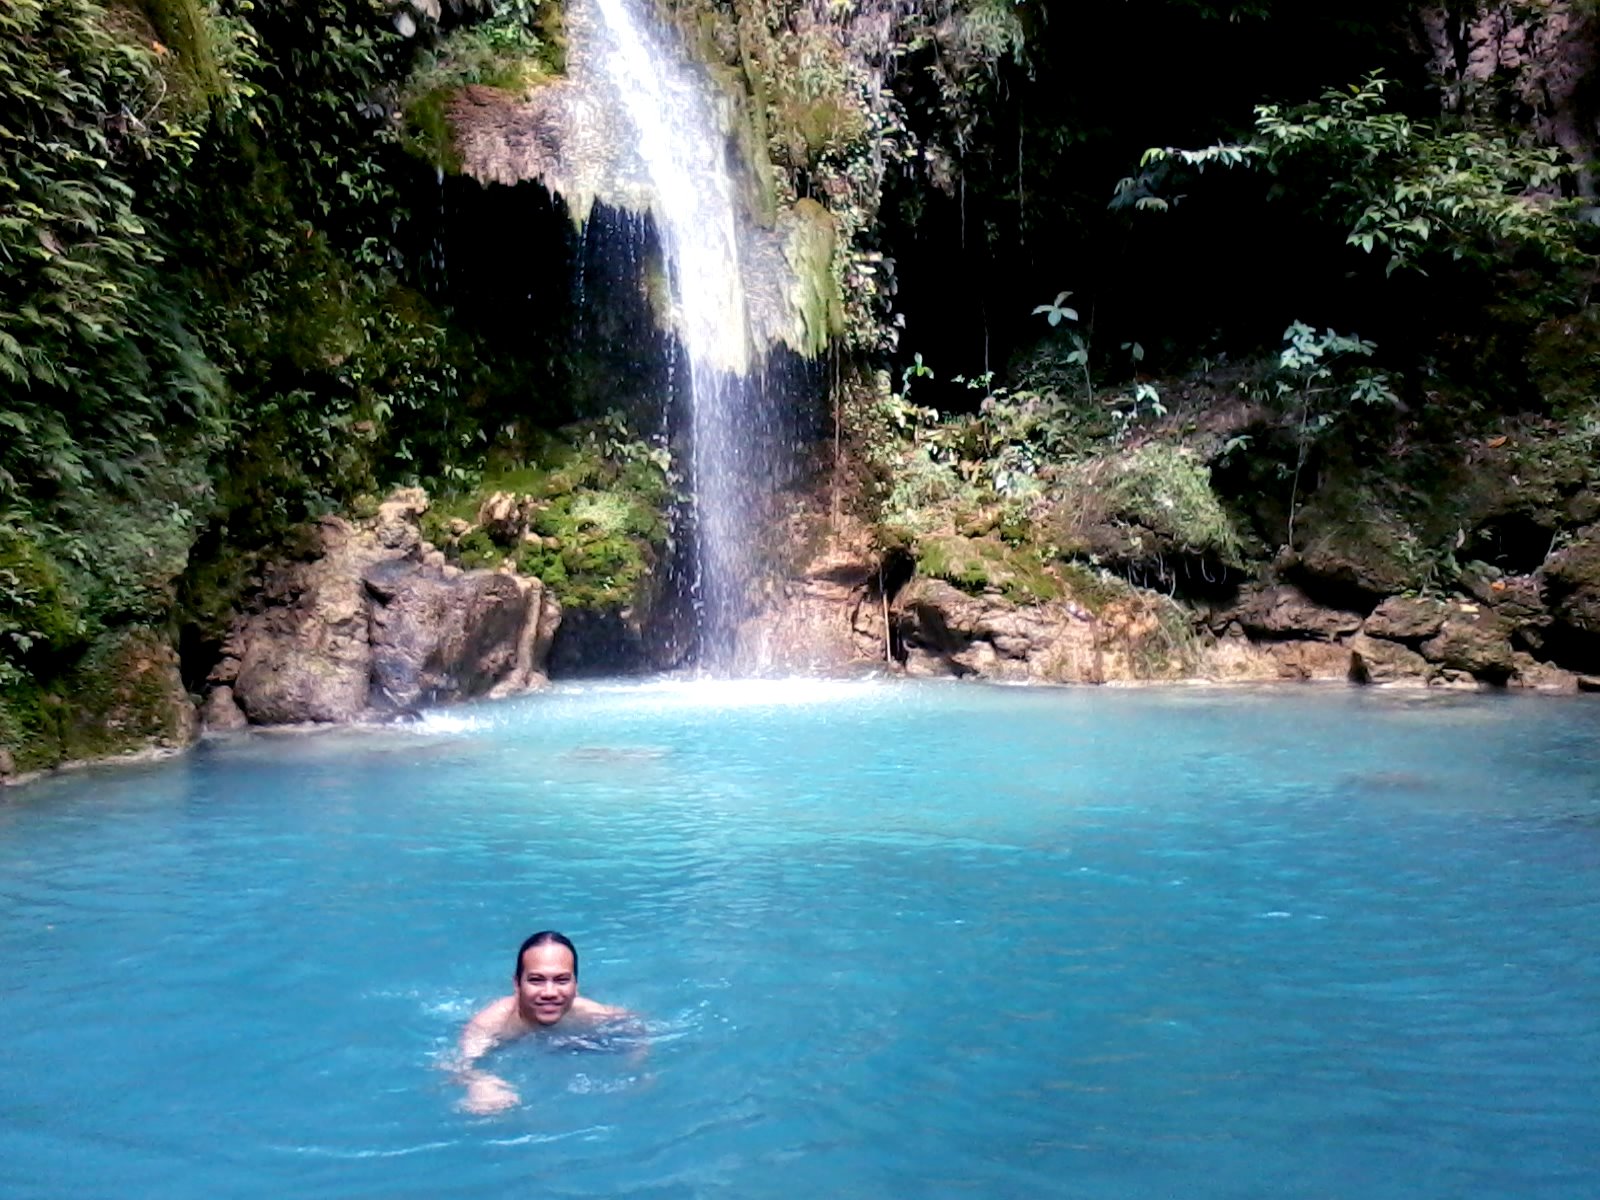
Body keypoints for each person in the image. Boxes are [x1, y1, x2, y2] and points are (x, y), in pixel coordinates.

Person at [455, 931, 629, 1114]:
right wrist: (480, 1083)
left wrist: (633, 1068)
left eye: (561, 980)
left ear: (576, 985)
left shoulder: (590, 1014)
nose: (549, 992)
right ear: (517, 985)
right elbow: (458, 1065)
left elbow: (634, 1028)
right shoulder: (492, 1025)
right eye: (536, 980)